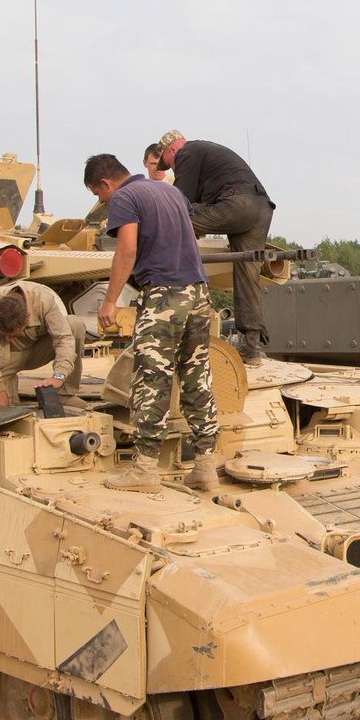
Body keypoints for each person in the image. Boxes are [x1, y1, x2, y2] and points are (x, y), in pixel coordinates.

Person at [84, 152, 219, 493]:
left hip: (163, 296)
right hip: (198, 293)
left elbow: (126, 250)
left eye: (98, 195)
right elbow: (188, 236)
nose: (102, 201)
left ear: (105, 183)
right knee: (197, 376)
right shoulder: (170, 191)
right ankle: (205, 465)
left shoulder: (126, 197)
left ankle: (144, 469)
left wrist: (110, 301)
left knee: (151, 378)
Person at [155, 129, 275, 365]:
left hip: (236, 203)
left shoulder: (186, 152)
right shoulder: (208, 153)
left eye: (167, 163)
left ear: (171, 150)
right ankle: (252, 348)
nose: (170, 167)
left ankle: (170, 307)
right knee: (247, 274)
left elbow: (180, 201)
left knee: (172, 219)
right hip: (261, 209)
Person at [0, 280, 87, 409]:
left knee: (74, 325)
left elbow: (63, 339)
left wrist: (59, 376)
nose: (8, 338)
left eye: (13, 334)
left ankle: (64, 395)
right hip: (3, 359)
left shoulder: (43, 299)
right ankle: (8, 392)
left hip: (38, 351)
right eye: (4, 334)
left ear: (27, 317)